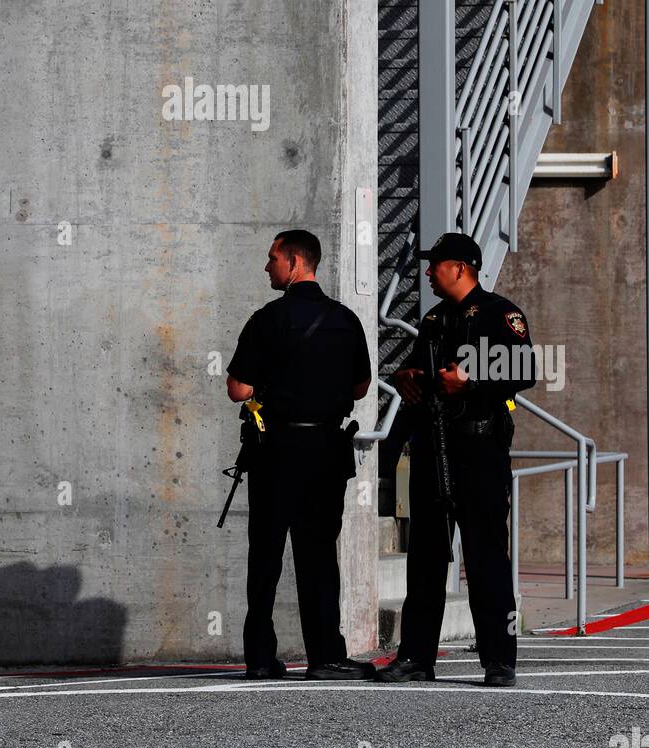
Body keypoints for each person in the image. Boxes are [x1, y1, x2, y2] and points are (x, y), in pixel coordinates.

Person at [377, 232, 536, 689]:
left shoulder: (499, 313)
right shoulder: (433, 318)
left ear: (461, 267)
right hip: (433, 448)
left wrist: (469, 383)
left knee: (486, 557)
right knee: (424, 559)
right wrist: (408, 375)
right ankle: (415, 658)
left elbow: (523, 370)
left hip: (479, 450)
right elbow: (419, 372)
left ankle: (499, 660)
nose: (428, 272)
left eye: (436, 265)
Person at [225, 228, 374, 680]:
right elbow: (361, 386)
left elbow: (238, 390)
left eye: (272, 258)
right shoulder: (346, 319)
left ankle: (261, 659)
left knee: (265, 555)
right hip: (326, 450)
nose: (266, 266)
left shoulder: (267, 319)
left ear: (294, 262)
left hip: (276, 452)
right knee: (319, 557)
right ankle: (326, 655)